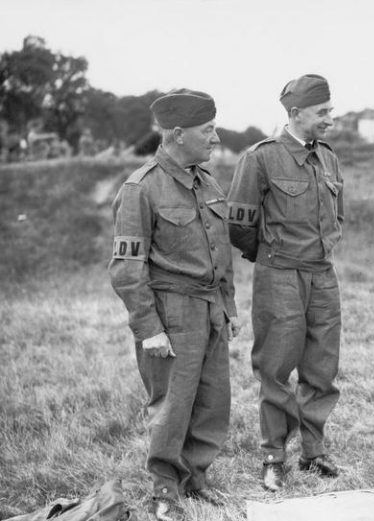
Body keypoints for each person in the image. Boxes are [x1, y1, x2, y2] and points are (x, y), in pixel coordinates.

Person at [109, 89, 239, 519]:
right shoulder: (140, 189)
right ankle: (165, 488)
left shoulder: (209, 184)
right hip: (171, 312)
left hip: (210, 309)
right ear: (178, 134)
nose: (216, 138)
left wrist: (228, 308)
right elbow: (128, 269)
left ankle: (196, 478)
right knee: (171, 405)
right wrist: (149, 329)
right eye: (208, 130)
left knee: (212, 401)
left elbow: (222, 254)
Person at [227, 74, 344, 492]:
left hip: (322, 274)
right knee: (276, 368)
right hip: (279, 274)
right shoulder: (259, 158)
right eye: (322, 112)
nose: (330, 117)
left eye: (330, 109)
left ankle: (313, 452)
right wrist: (273, 257)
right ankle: (274, 456)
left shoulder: (329, 158)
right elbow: (240, 225)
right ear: (295, 114)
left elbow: (337, 215)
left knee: (322, 367)